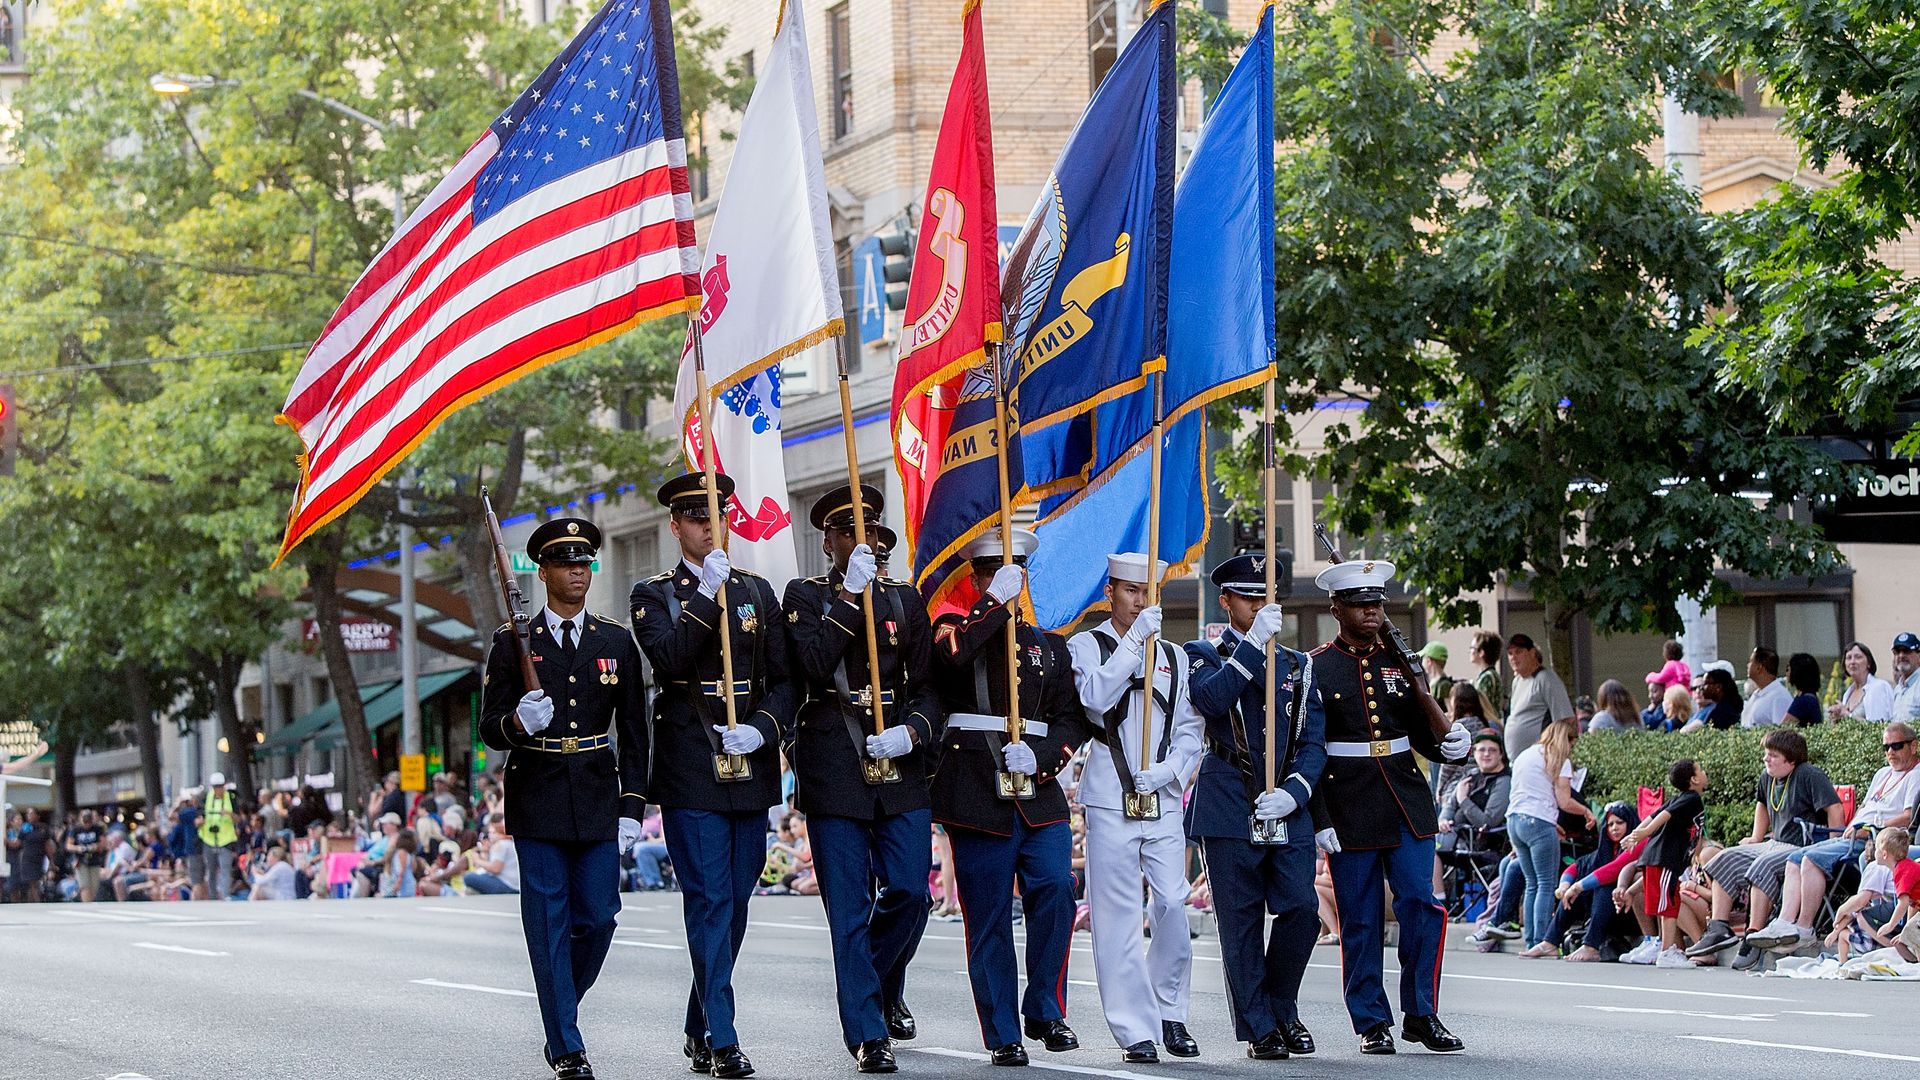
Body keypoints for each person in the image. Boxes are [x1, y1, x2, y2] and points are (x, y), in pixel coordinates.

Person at [631, 473, 793, 1080]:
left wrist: (765, 728)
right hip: (691, 766)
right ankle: (723, 1036)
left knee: (739, 899)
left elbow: (784, 680)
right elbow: (669, 657)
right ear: (676, 526)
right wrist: (704, 596)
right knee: (708, 899)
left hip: (747, 762)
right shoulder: (653, 596)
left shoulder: (755, 591)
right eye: (696, 517)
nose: (708, 525)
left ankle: (699, 1021)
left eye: (716, 515)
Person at [480, 515, 651, 1080]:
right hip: (539, 792)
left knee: (599, 918)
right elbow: (488, 727)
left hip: (600, 794)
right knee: (548, 922)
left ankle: (560, 1008)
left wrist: (633, 807)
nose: (579, 572)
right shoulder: (514, 643)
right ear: (543, 571)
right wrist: (518, 722)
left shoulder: (614, 640)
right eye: (567, 564)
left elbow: (635, 729)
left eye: (585, 563)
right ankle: (566, 1044)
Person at [781, 484, 942, 1074]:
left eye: (868, 531)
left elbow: (929, 687)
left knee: (909, 892)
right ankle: (868, 1032)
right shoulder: (804, 595)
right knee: (848, 910)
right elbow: (812, 665)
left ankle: (877, 985)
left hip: (897, 762)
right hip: (834, 764)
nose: (859, 542)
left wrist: (914, 731)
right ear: (828, 541)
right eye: (846, 532)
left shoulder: (904, 598)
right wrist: (849, 595)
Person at [928, 528, 1091, 1068]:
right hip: (976, 790)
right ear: (976, 576)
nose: (1009, 575)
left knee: (1056, 890)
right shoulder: (954, 627)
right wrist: (992, 602)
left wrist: (1044, 761)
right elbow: (953, 658)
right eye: (996, 569)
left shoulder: (1049, 644)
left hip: (1037, 793)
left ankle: (1045, 1007)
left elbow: (1071, 717)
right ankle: (1002, 1031)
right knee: (990, 916)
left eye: (1016, 568)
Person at [1307, 559, 1471, 1054]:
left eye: (1377, 603)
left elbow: (1420, 731)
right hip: (1348, 803)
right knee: (1359, 918)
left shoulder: (1401, 661)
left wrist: (1449, 745)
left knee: (1422, 904)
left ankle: (1422, 1012)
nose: (1372, 612)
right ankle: (1371, 1021)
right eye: (1360, 605)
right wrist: (1318, 816)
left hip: (1405, 798)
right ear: (1337, 609)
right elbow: (1308, 747)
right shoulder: (1316, 665)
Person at [1183, 554, 1327, 1061]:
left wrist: (1295, 792)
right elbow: (1212, 701)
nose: (1262, 605)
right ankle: (1260, 1026)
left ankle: (1281, 1006)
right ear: (1226, 600)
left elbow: (1313, 742)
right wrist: (1248, 649)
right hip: (1226, 804)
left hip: (1284, 808)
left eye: (1269, 597)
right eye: (1249, 597)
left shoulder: (1299, 665)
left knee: (1303, 911)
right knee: (1240, 924)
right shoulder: (1201, 653)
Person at [1068, 552, 1205, 1065]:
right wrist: (1130, 645)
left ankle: (1170, 1009)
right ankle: (1135, 1029)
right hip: (1110, 794)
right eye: (1131, 591)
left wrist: (1171, 772)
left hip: (1163, 798)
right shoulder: (1089, 644)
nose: (1141, 600)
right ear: (1111, 594)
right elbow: (1095, 699)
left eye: (1148, 591)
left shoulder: (1176, 655)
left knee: (1172, 902)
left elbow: (1191, 729)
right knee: (1116, 916)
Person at [1750, 721, 1919, 953]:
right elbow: (1864, 807)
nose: (1890, 752)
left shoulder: (1915, 775)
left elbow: (1908, 817)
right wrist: (1853, 825)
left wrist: (1870, 826)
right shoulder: (1882, 774)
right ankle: (1784, 924)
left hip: (1879, 841)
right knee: (1796, 857)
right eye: (1886, 747)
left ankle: (1805, 929)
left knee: (1810, 859)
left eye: (1897, 746)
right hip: (1853, 835)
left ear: (1913, 746)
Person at [1686, 728, 1845, 971]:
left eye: (1772, 755)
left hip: (1800, 846)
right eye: (1766, 754)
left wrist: (1834, 844)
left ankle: (1754, 935)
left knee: (1764, 864)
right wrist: (1755, 837)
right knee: (1725, 857)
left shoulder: (1809, 774)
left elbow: (1834, 809)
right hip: (1773, 842)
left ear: (1791, 759)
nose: (1766, 759)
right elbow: (1762, 805)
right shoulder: (1767, 777)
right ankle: (1719, 927)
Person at [1510, 720, 1596, 957]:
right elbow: (1564, 801)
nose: (1573, 747)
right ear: (1567, 740)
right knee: (1546, 884)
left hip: (1515, 821)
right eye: (1573, 742)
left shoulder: (1526, 755)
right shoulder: (1559, 759)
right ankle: (1543, 942)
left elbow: (1528, 794)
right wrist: (1587, 812)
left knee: (1531, 884)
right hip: (1538, 823)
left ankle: (1531, 942)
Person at [1620, 759, 1709, 968]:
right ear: (1694, 779)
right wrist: (1642, 833)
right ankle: (1667, 952)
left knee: (1666, 904)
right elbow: (1662, 816)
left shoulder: (1681, 798)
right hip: (1665, 859)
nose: (1705, 773)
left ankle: (1665, 949)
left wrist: (1636, 835)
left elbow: (1653, 815)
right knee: (1669, 905)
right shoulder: (1692, 799)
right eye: (1701, 770)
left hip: (1658, 858)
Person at [1825, 827, 1919, 962]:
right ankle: (1912, 960)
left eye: (1878, 848)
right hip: (1914, 907)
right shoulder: (1904, 866)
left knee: (1864, 916)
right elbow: (1912, 902)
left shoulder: (1893, 869)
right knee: (1907, 936)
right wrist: (1907, 930)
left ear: (1884, 854)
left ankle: (1890, 949)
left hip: (1904, 910)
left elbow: (1902, 902)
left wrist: (1891, 925)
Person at [1502, 634, 1574, 760]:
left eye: (1518, 652)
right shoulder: (1517, 681)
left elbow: (1565, 720)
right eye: (1510, 653)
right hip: (1518, 761)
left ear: (1532, 653)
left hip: (1540, 759)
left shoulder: (1546, 679)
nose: (1513, 657)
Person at [1828, 640, 1895, 723]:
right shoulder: (1848, 693)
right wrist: (1837, 717)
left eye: (1858, 657)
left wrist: (1847, 715)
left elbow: (1879, 726)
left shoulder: (1879, 687)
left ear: (1869, 663)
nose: (1852, 662)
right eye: (1849, 658)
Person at [464, 821, 521, 895]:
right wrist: (486, 853)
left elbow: (496, 868)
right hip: (513, 883)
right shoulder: (510, 843)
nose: (490, 836)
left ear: (500, 834)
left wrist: (477, 860)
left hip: (506, 883)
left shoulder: (501, 844)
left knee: (469, 877)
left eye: (493, 833)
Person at [65, 809, 105, 903]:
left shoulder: (97, 828)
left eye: (89, 821)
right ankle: (87, 905)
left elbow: (103, 843)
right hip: (81, 861)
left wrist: (96, 846)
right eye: (85, 821)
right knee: (85, 885)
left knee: (94, 886)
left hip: (94, 860)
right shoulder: (75, 830)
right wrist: (78, 848)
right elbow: (68, 845)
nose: (87, 824)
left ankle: (89, 900)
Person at [1745, 647, 1791, 728]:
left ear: (1759, 667)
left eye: (1751, 662)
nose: (1747, 665)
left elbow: (1781, 734)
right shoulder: (1756, 694)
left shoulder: (1779, 697)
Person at [1468, 631, 1506, 724]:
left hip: (1488, 724)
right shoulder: (1491, 675)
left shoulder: (1487, 678)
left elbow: (1482, 707)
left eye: (1472, 648)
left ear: (1481, 652)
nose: (1470, 651)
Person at [1782, 652, 1824, 726]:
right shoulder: (1809, 697)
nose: (1786, 674)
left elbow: (1784, 726)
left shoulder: (1804, 701)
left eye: (1788, 669)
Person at [1645, 640, 1691, 704]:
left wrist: (1650, 676)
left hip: (1673, 696)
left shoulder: (1670, 665)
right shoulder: (1684, 666)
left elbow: (1660, 678)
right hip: (1685, 696)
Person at [1889, 633, 1920, 722]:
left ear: (1919, 655)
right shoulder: (1898, 689)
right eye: (1897, 652)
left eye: (1907, 651)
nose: (1901, 656)